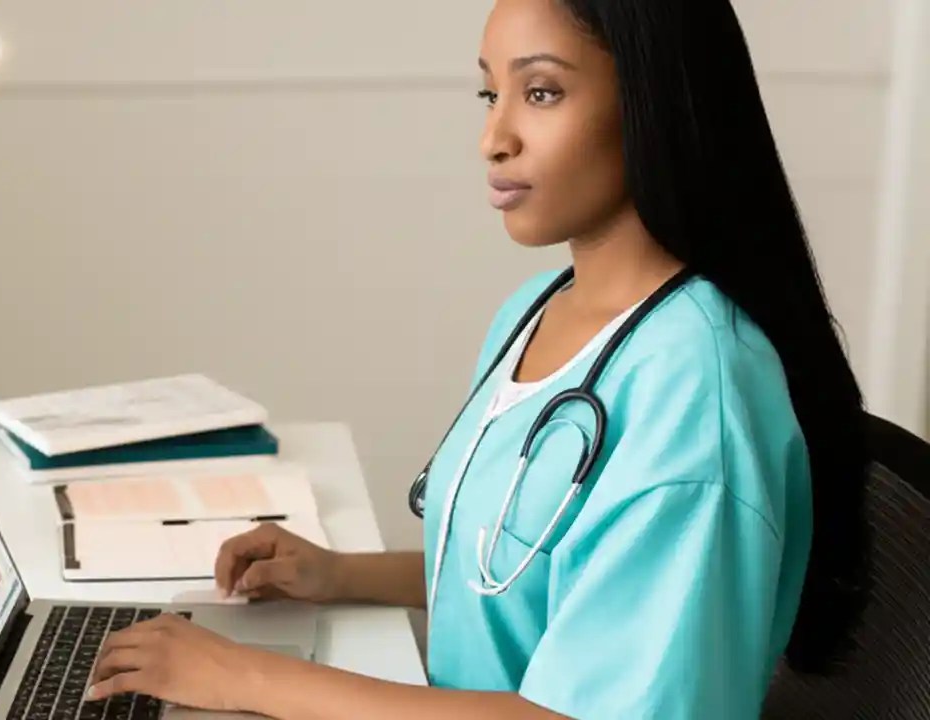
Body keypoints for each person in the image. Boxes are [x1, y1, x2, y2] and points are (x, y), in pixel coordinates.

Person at [87, 0, 870, 716]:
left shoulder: (699, 395)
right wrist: (337, 575)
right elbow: (526, 565)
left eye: (542, 93)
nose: (494, 138)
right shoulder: (534, 314)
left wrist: (246, 678)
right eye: (489, 95)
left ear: (654, 105)